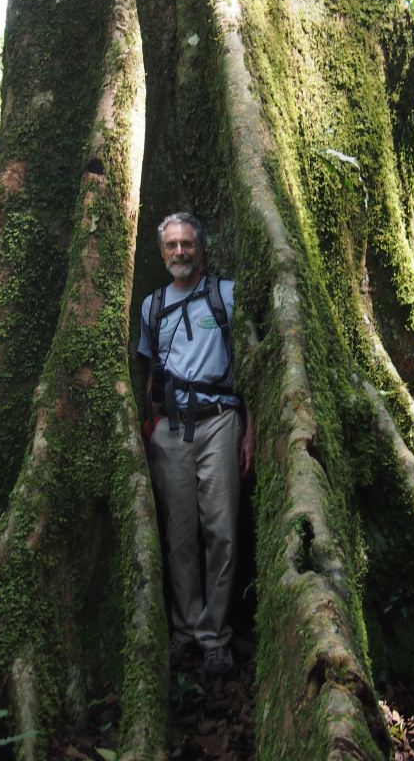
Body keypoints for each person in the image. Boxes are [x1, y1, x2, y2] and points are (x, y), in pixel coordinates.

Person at [138, 212, 253, 677]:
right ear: (162, 252)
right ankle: (185, 629)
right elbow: (149, 374)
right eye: (172, 245)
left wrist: (250, 430)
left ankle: (214, 636)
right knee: (179, 535)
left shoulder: (226, 296)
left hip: (220, 422)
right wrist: (149, 428)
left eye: (187, 243)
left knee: (222, 531)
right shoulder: (151, 306)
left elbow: (250, 366)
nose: (180, 252)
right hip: (170, 431)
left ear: (199, 248)